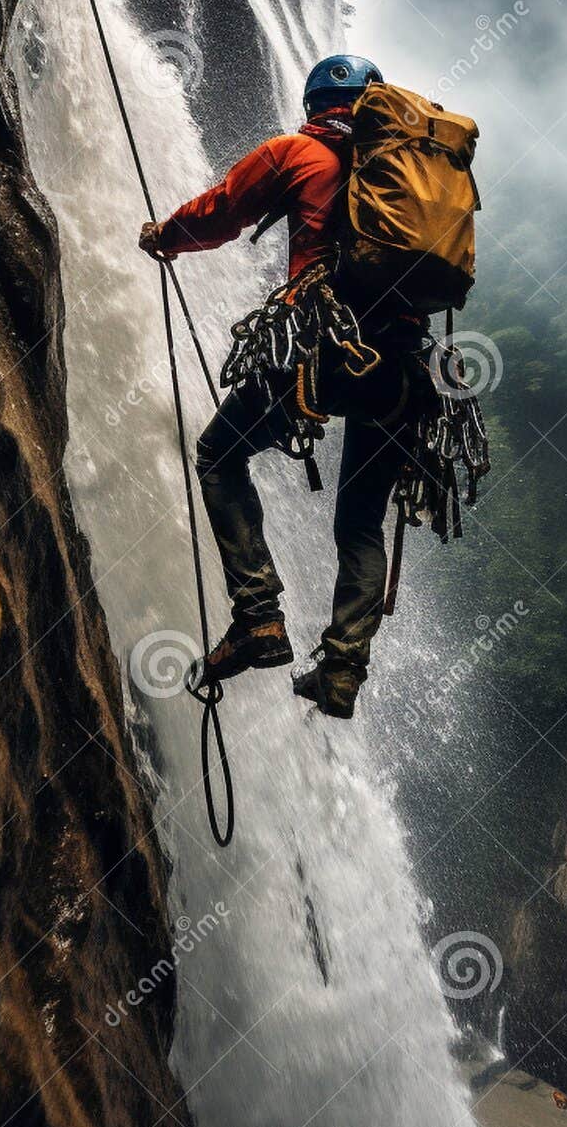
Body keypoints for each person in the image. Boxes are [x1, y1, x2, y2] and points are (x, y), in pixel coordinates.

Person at [138, 54, 423, 719]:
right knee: (360, 521)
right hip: (404, 374)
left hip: (323, 352)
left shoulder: (298, 152)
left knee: (219, 453)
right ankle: (343, 670)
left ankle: (259, 616)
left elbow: (221, 214)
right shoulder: (408, 180)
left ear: (314, 101)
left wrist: (165, 238)